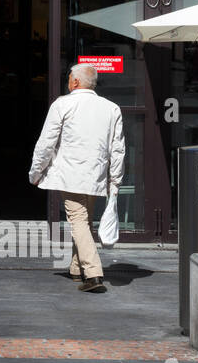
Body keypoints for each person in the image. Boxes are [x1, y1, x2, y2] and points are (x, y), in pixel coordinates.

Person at [28, 62, 125, 293]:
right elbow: (118, 149)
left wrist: (35, 172)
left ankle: (93, 273)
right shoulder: (111, 108)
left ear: (75, 82)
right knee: (84, 220)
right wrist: (115, 180)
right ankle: (75, 268)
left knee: (78, 221)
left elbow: (46, 143)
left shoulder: (63, 104)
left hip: (70, 174)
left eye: (69, 78)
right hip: (96, 175)